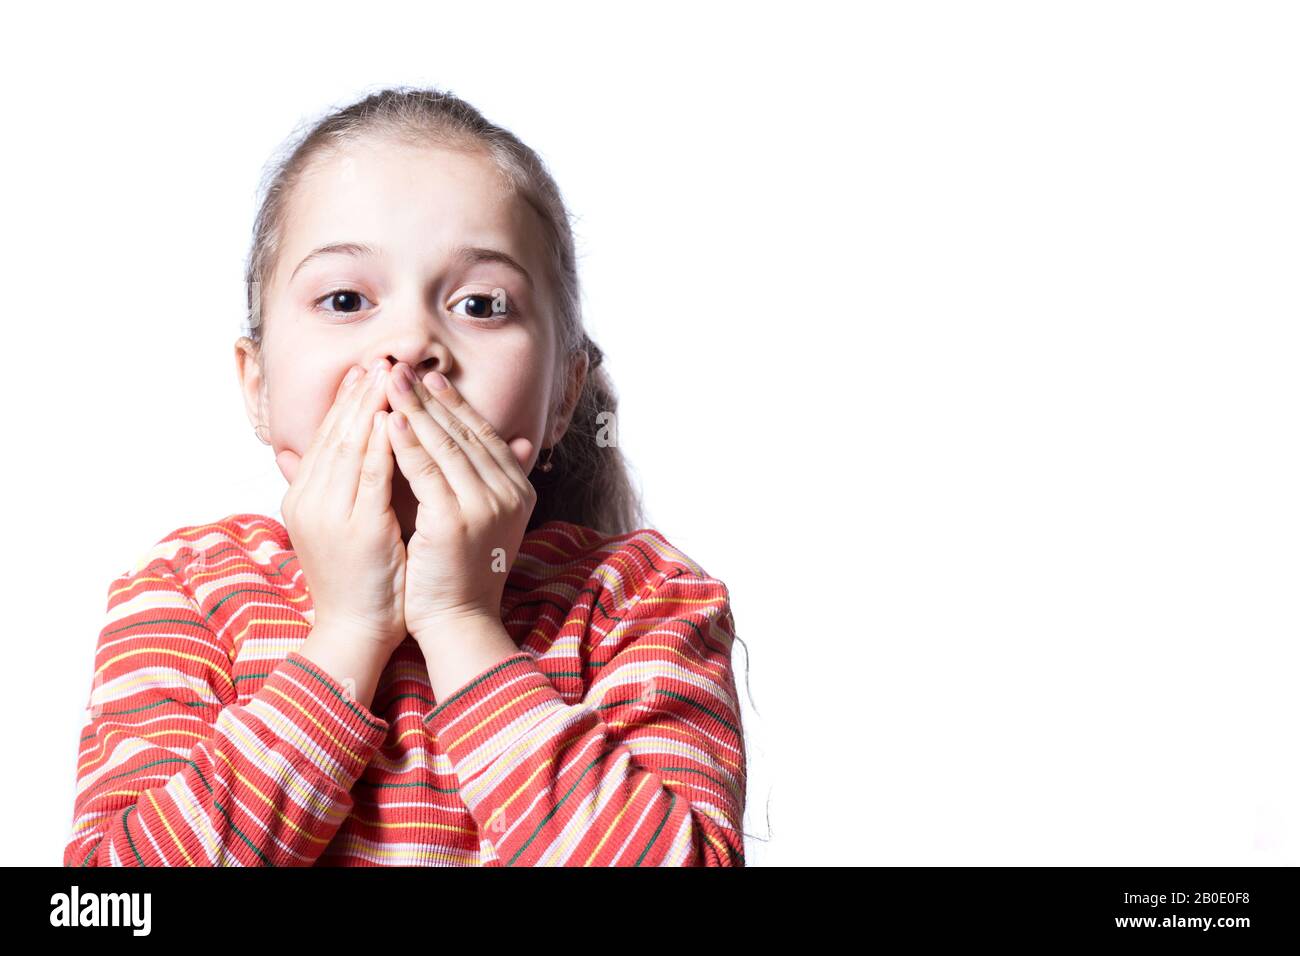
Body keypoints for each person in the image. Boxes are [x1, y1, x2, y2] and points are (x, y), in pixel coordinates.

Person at [62, 86, 746, 867]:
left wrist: (462, 621)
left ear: (562, 394)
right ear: (257, 386)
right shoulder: (184, 593)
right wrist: (348, 633)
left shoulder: (644, 602)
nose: (410, 342)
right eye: (346, 299)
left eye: (481, 304)